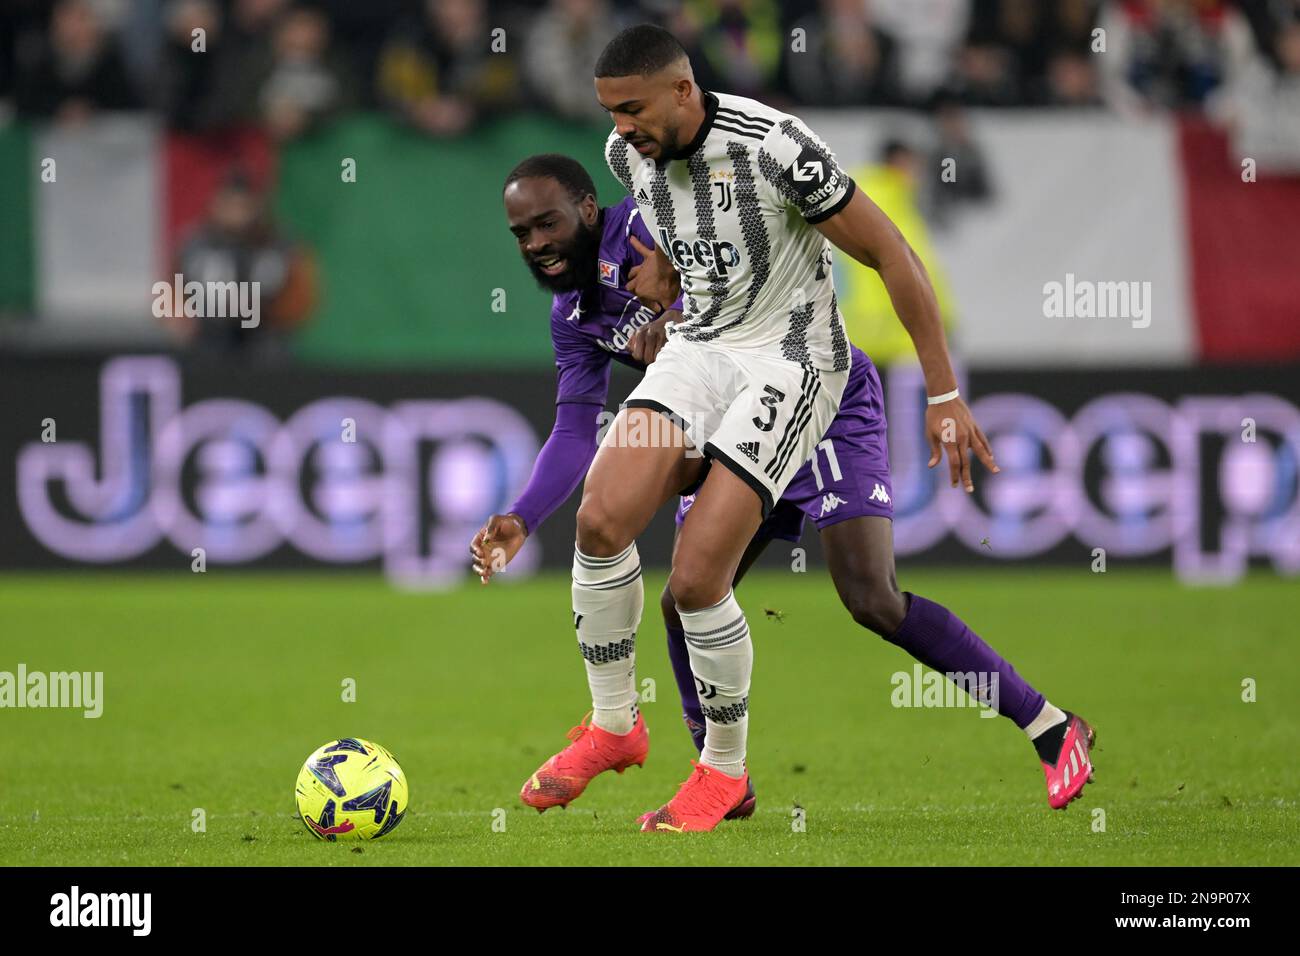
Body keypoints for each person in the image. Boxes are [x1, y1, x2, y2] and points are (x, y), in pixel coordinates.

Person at [475, 25, 1092, 832]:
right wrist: (524, 515)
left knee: (851, 596)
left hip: (799, 367)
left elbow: (892, 252)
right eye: (610, 113)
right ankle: (625, 731)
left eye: (632, 109)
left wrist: (943, 391)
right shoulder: (630, 165)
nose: (619, 130)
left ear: (684, 92)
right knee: (606, 521)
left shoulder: (775, 147)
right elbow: (682, 245)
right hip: (709, 357)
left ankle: (1047, 725)